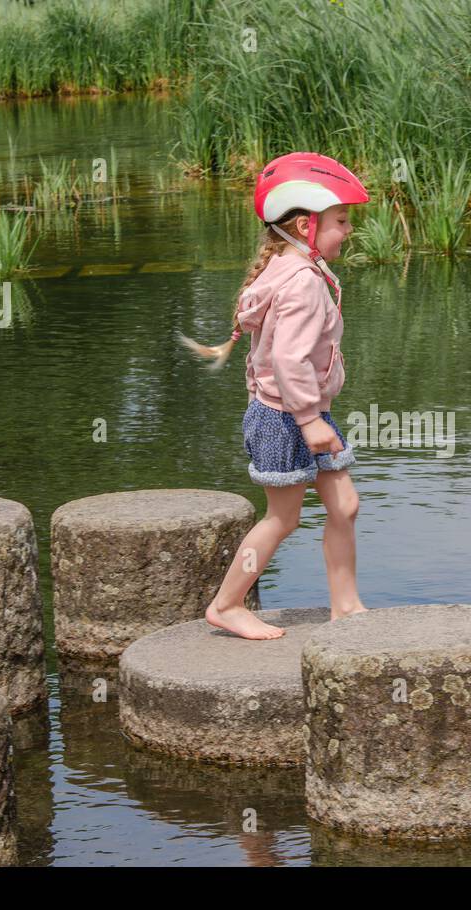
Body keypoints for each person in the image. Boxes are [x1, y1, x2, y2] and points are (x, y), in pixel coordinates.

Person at [178, 152, 369, 640]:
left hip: (306, 411)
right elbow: (288, 361)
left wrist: (313, 413)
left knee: (344, 504)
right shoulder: (303, 281)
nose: (349, 230)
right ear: (307, 226)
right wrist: (309, 420)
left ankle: (345, 605)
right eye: (342, 220)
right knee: (283, 517)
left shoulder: (289, 267)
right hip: (287, 417)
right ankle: (226, 604)